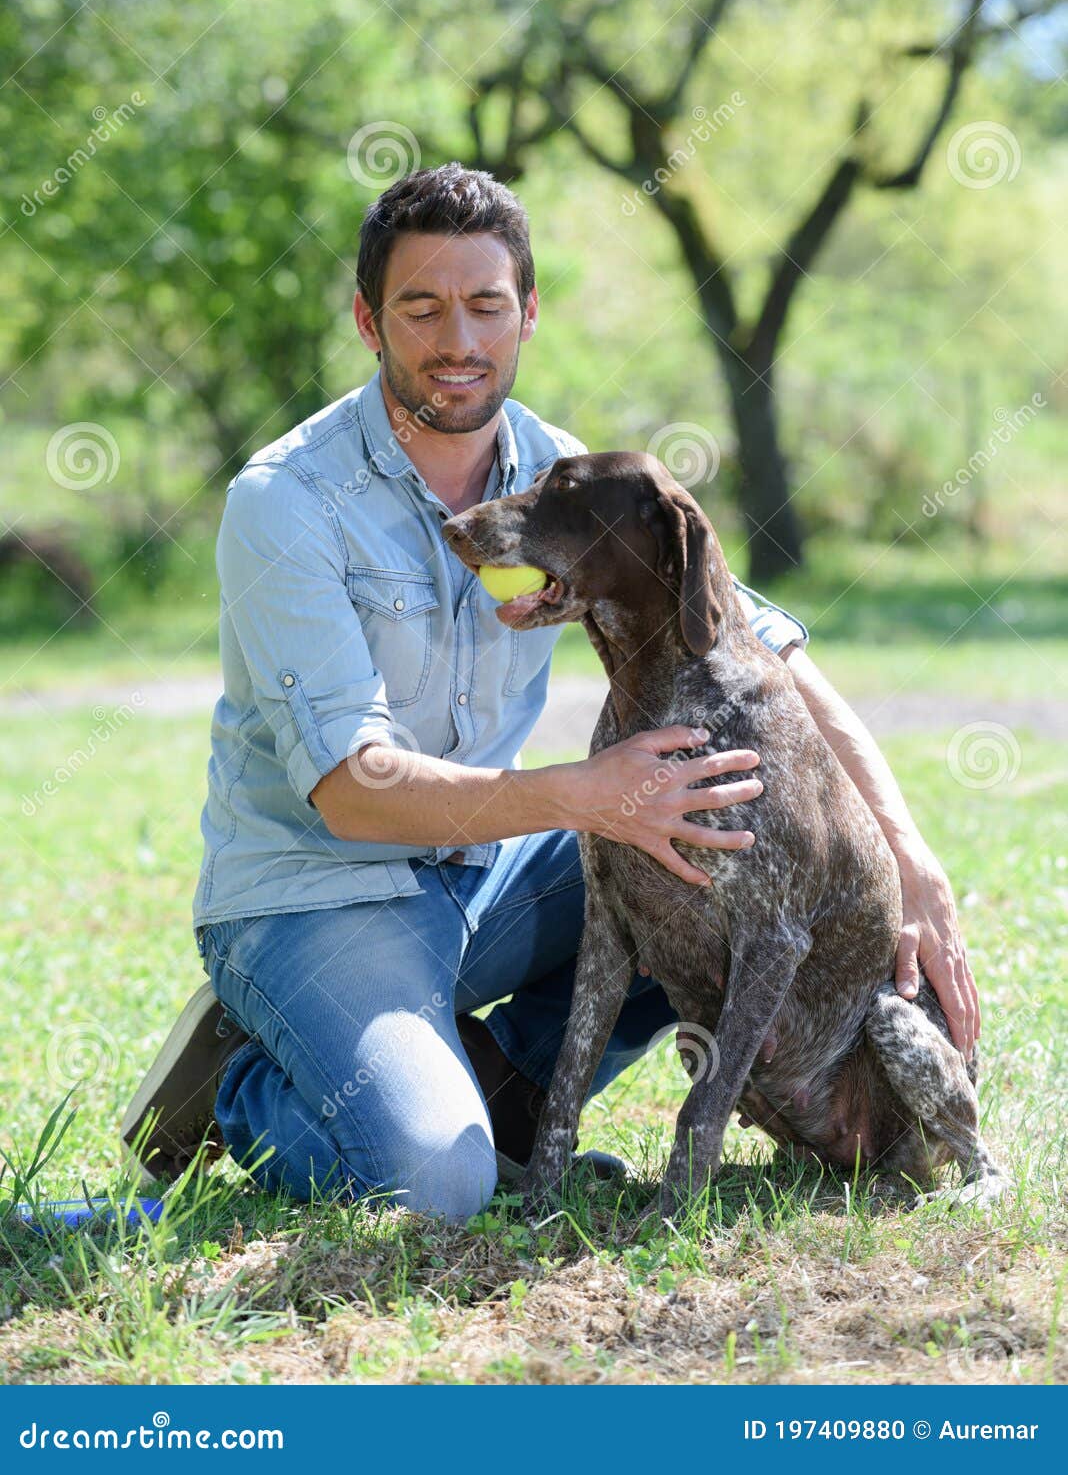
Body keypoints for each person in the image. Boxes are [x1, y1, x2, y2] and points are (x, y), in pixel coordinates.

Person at [121, 162, 980, 1222]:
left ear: (527, 312)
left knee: (707, 854)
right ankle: (244, 1084)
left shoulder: (561, 473)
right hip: (317, 894)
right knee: (438, 1183)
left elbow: (764, 647)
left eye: (486, 305)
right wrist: (588, 794)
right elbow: (351, 789)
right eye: (421, 308)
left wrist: (910, 858)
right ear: (367, 320)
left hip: (486, 871)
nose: (458, 340)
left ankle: (506, 1098)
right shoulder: (286, 501)